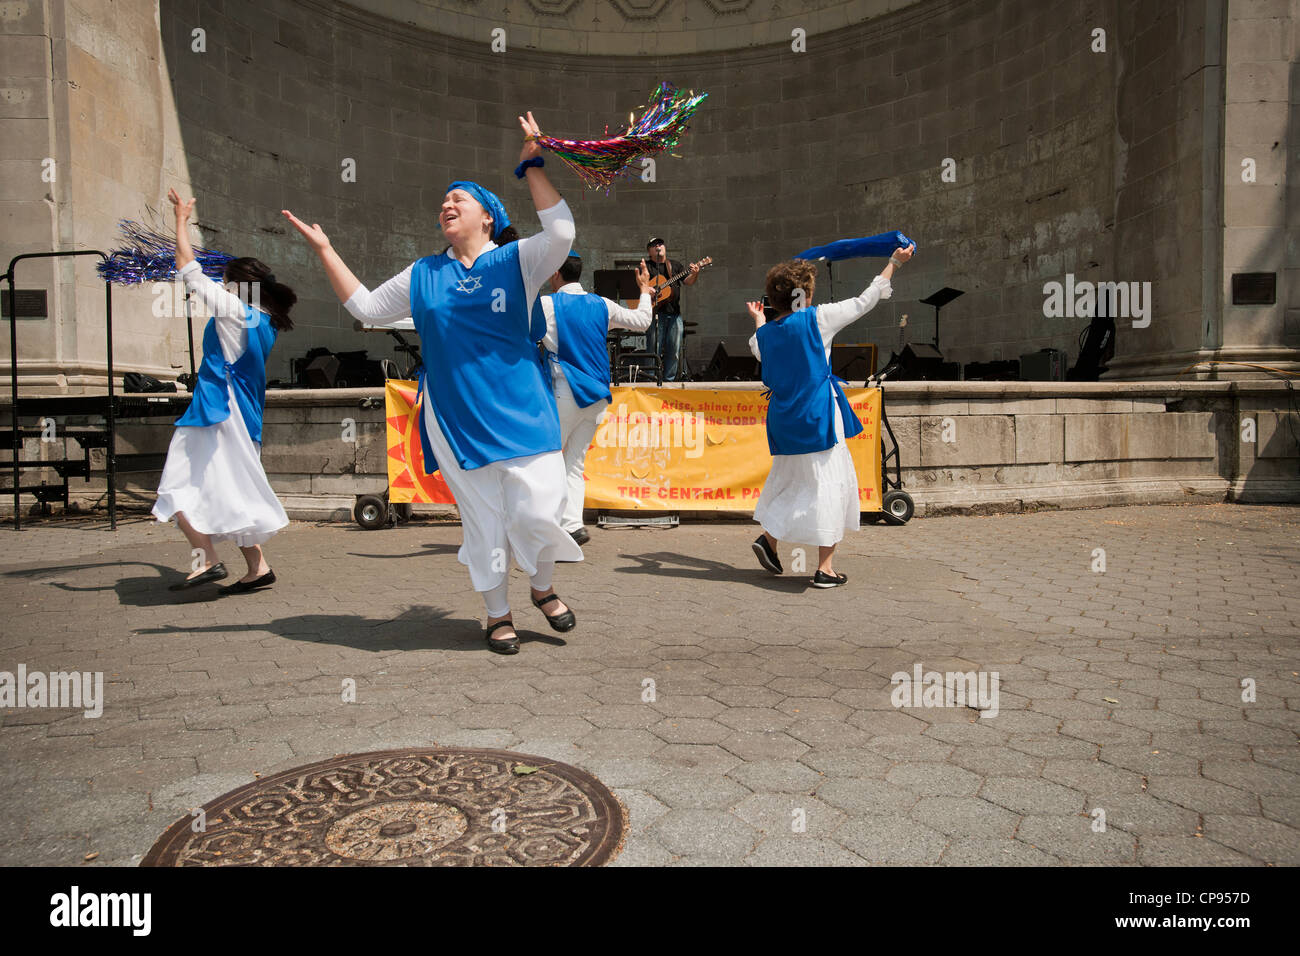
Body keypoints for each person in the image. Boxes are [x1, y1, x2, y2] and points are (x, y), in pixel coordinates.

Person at [283, 112, 579, 655]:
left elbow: (561, 232)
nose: (446, 205)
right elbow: (368, 309)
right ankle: (497, 616)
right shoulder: (423, 274)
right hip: (454, 416)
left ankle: (542, 587)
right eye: (443, 201)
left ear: (487, 217)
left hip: (524, 409)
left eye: (459, 199)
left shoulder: (519, 261)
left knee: (540, 508)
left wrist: (532, 164)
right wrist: (326, 250)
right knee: (484, 522)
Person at [747, 243, 915, 587]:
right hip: (817, 418)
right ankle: (825, 568)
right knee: (829, 485)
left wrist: (760, 320)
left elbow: (762, 344)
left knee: (790, 482)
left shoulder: (761, 337)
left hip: (783, 422)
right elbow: (865, 300)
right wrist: (893, 264)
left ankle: (770, 540)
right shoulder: (817, 320)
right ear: (804, 294)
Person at [154, 187, 294, 594]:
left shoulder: (233, 309)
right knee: (234, 488)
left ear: (237, 285)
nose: (220, 284)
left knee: (174, 485)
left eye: (225, 280)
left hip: (217, 410)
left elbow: (187, 269)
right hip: (242, 417)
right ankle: (258, 568)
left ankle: (209, 560)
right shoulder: (264, 318)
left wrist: (181, 219)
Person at [539, 251, 654, 544]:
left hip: (566, 392)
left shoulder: (546, 305)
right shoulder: (601, 304)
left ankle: (541, 526)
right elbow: (642, 321)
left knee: (544, 460)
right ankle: (572, 526)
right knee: (574, 463)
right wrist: (643, 292)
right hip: (597, 397)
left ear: (556, 274)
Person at [644, 237, 701, 382]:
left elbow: (688, 281)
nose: (659, 246)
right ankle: (650, 380)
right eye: (655, 245)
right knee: (653, 349)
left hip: (674, 314)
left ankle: (669, 381)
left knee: (674, 350)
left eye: (661, 244)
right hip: (655, 314)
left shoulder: (674, 265)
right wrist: (647, 289)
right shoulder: (647, 266)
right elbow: (638, 285)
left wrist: (695, 273)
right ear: (650, 251)